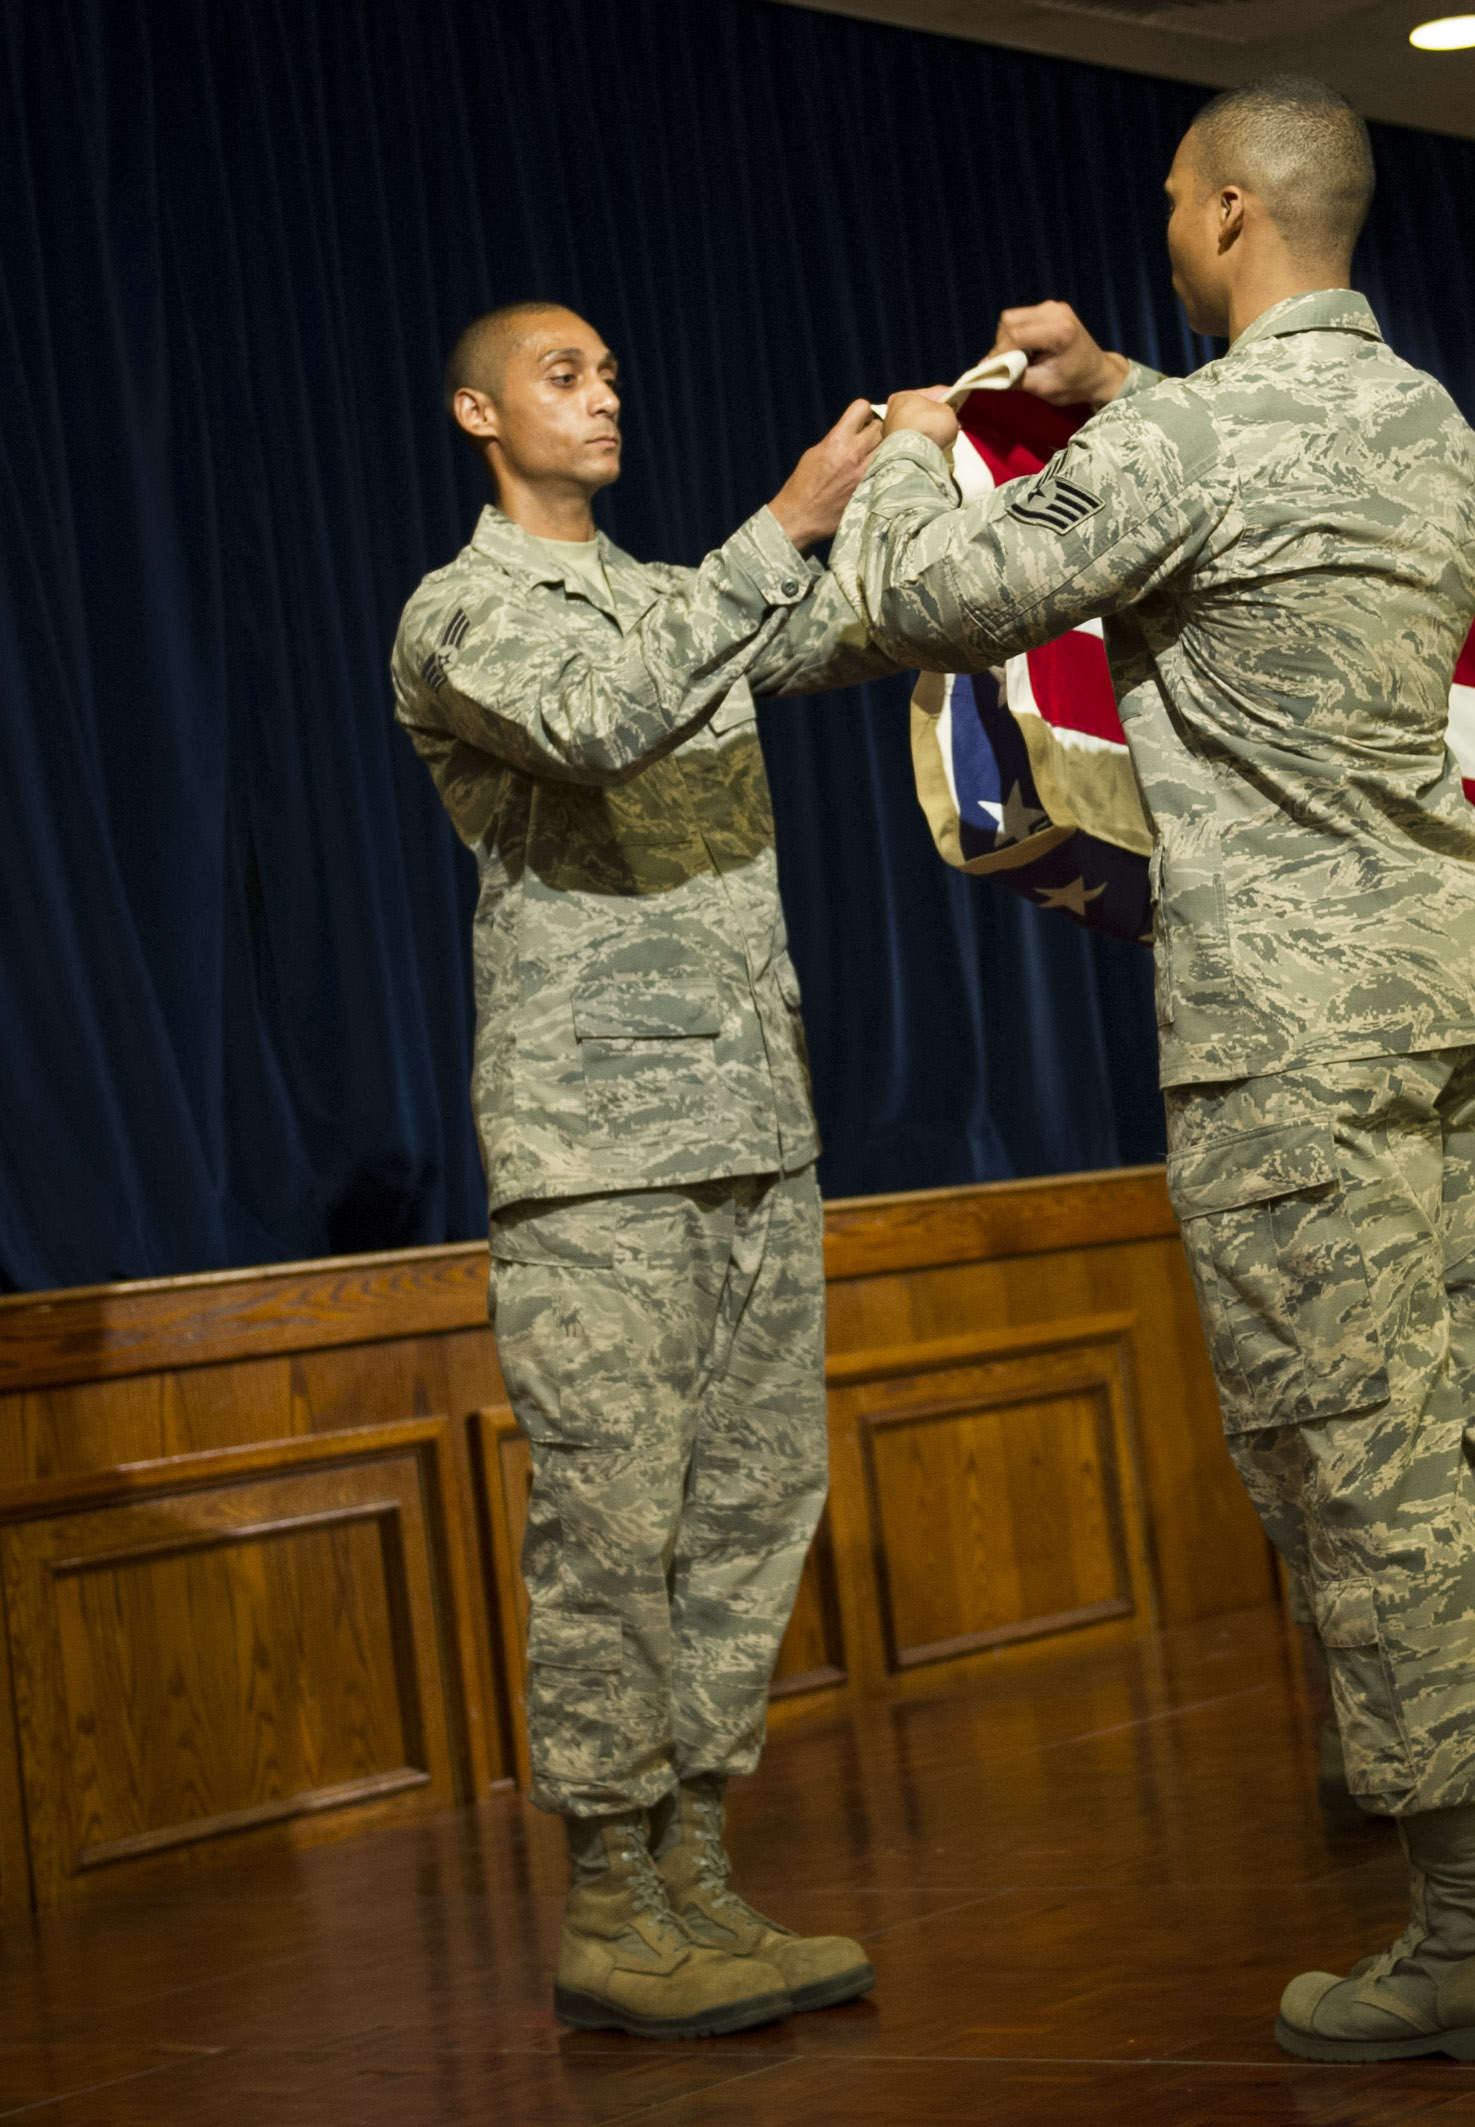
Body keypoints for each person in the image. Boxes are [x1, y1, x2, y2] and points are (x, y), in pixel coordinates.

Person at [832, 76, 1475, 2066]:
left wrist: (923, 461)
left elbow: (935, 601)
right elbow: (1239, 507)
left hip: (1303, 1018)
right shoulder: (1426, 419)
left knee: (1358, 1446)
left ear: (1216, 217)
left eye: (1175, 205)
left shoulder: (1192, 430)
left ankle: (1463, 1936)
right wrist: (1113, 386)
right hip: (1467, 980)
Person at [390, 304, 896, 2038]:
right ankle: (612, 1899)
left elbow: (869, 614)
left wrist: (924, 459)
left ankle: (700, 1874)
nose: (602, 396)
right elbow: (603, 719)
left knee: (750, 1520)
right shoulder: (462, 615)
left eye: (611, 372)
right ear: (479, 410)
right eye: (560, 375)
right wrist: (791, 518)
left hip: (761, 1129)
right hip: (597, 1151)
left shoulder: (689, 594)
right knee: (617, 1528)